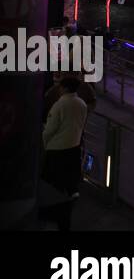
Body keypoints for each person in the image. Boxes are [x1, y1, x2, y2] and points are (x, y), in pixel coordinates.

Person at [42, 76, 88, 231]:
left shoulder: (60, 105)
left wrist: (44, 143)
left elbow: (50, 129)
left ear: (66, 88)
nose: (59, 89)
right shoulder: (81, 104)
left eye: (61, 87)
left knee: (52, 185)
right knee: (67, 184)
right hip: (74, 148)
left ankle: (50, 215)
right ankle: (66, 214)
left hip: (56, 150)